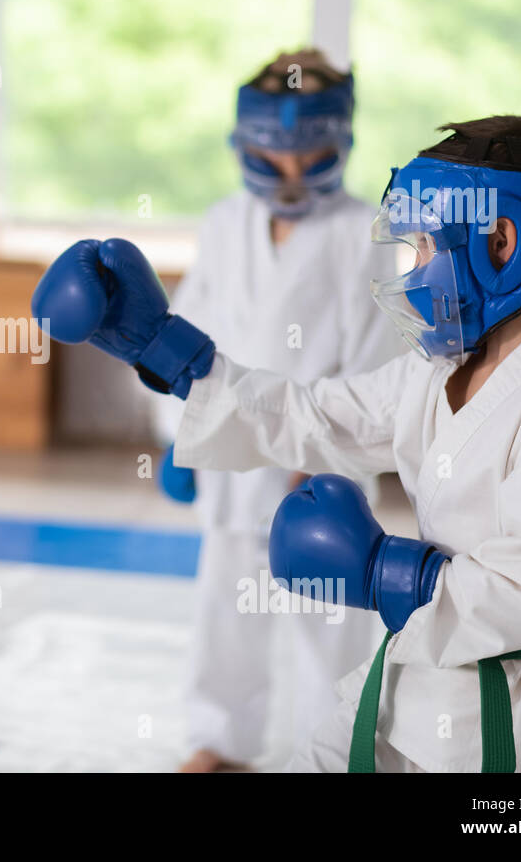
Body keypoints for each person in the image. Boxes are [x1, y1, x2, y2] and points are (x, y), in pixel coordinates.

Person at [34, 115, 521, 772]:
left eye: (425, 248)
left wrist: (380, 570)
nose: (414, 272)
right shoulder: (443, 363)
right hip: (424, 669)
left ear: (503, 243)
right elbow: (322, 417)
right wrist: (167, 351)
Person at [152, 49, 397, 772]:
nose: (291, 174)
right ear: (243, 141)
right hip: (229, 455)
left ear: (341, 139)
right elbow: (189, 330)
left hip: (317, 460)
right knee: (225, 605)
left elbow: (375, 360)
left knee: (333, 618)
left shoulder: (367, 230)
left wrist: (319, 458)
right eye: (273, 155)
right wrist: (177, 432)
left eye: (311, 154)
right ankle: (218, 741)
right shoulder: (226, 222)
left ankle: (344, 752)